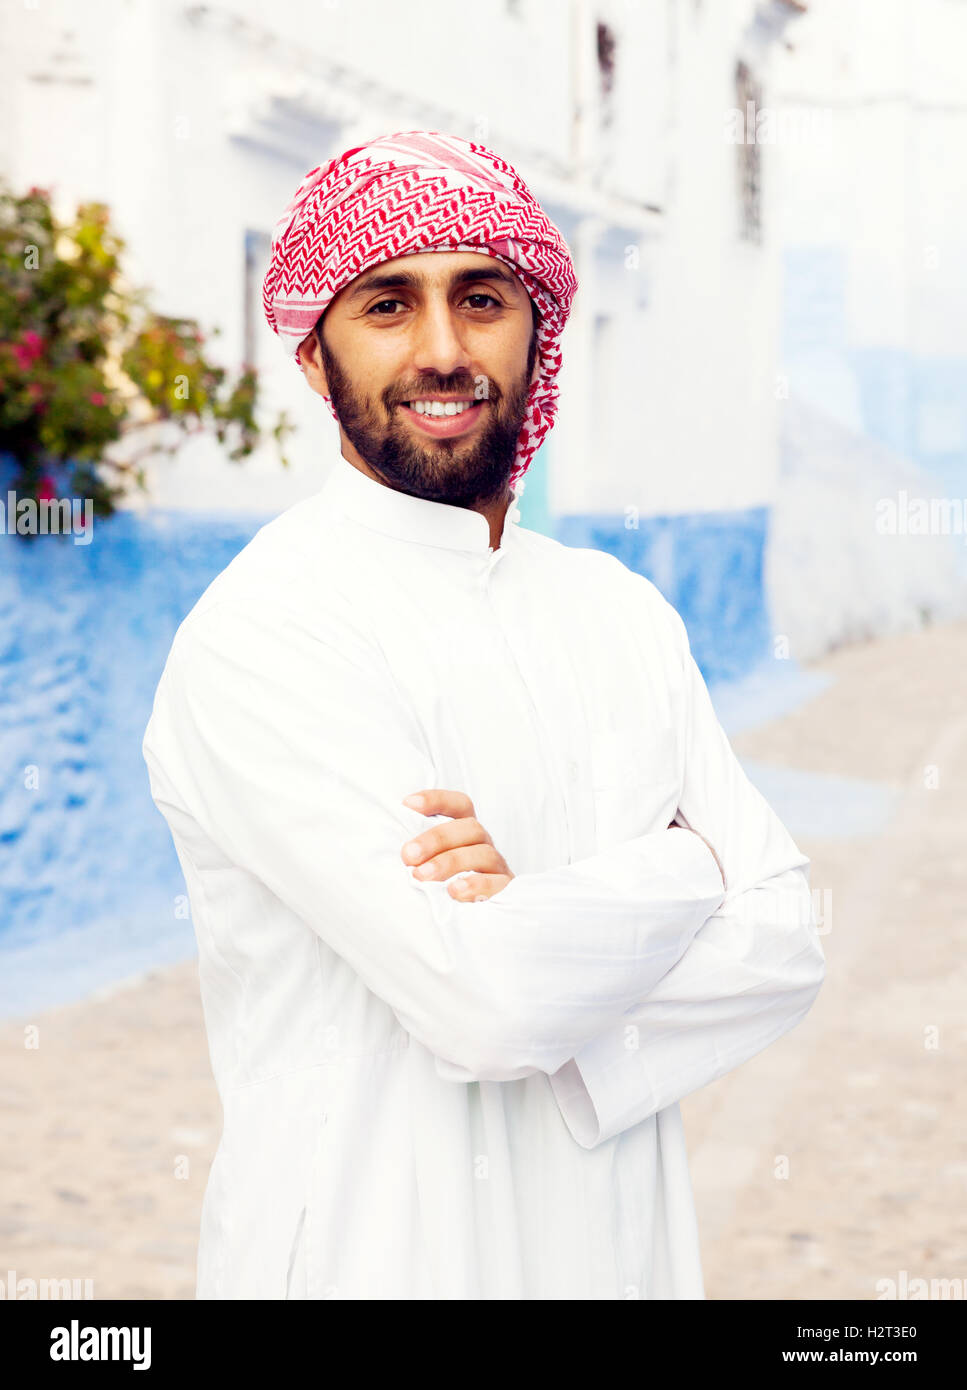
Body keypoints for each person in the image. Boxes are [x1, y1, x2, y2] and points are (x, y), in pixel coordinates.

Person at [142, 130, 825, 1300]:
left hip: (618, 1260)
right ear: (315, 357)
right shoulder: (266, 628)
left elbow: (786, 941)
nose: (444, 350)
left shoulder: (618, 612)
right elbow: (490, 1000)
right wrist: (685, 874)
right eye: (388, 306)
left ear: (535, 329)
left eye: (481, 298)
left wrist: (541, 913)